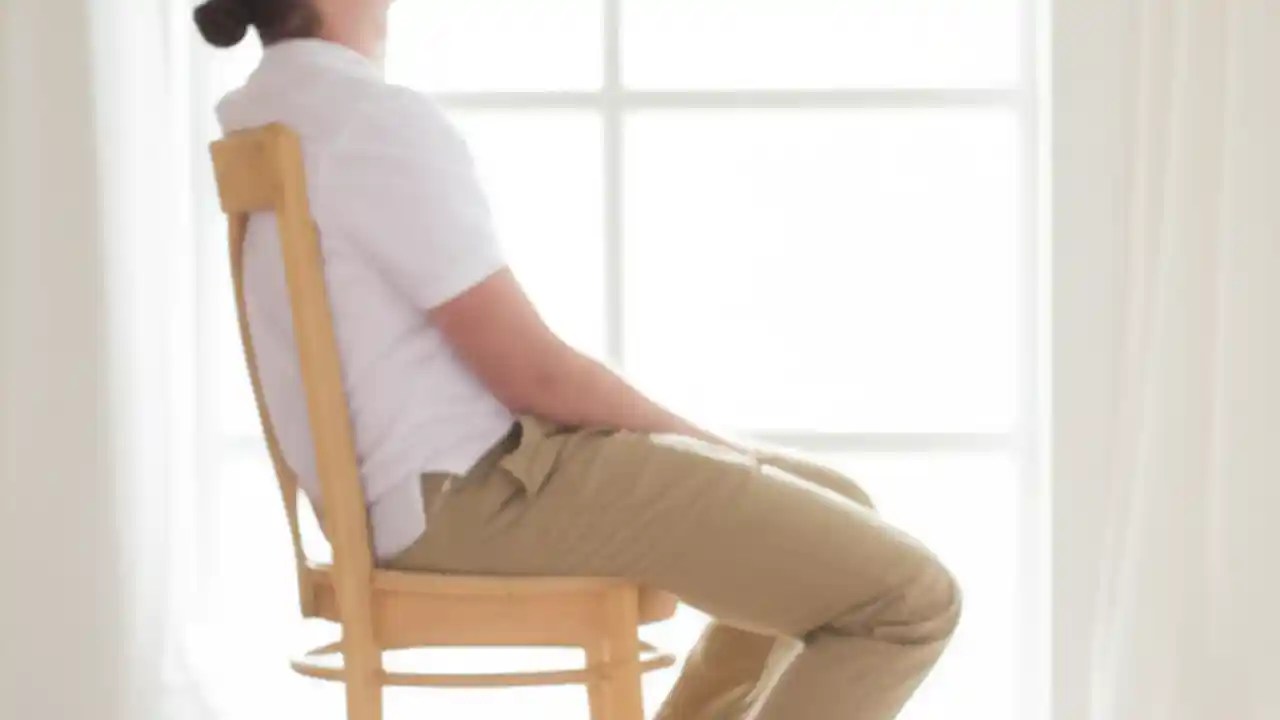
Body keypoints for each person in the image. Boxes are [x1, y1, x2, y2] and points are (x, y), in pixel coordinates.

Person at [197, 1, 962, 717]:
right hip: (473, 496)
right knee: (908, 602)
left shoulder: (275, 114)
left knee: (833, 501)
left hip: (424, 495)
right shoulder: (370, 124)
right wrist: (709, 450)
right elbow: (537, 376)